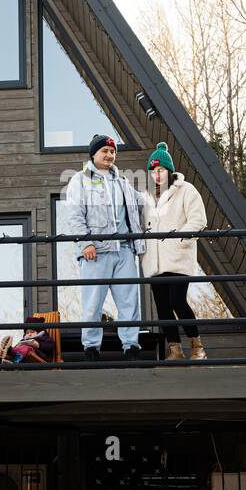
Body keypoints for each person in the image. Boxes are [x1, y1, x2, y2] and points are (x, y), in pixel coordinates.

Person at [59, 134, 147, 360]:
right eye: (105, 151)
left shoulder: (123, 181)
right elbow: (74, 215)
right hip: (95, 252)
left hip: (125, 249)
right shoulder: (80, 179)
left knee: (129, 302)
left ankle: (130, 346)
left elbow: (142, 204)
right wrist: (85, 242)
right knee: (93, 303)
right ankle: (91, 347)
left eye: (113, 151)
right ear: (94, 154)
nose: (109, 155)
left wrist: (165, 186)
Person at [142, 143, 208, 360]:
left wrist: (179, 237)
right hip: (155, 261)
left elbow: (198, 219)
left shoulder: (186, 190)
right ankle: (175, 350)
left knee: (177, 300)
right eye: (153, 171)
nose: (156, 175)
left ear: (169, 170)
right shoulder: (148, 197)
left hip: (177, 257)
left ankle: (197, 345)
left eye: (160, 170)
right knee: (162, 306)